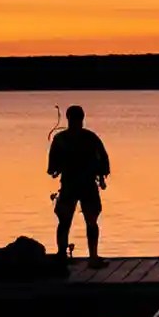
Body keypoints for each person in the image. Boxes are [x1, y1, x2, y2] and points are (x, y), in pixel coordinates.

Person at [47, 105, 111, 269]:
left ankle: (63, 255)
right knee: (88, 222)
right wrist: (102, 176)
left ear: (68, 118)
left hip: (72, 185)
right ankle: (92, 257)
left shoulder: (61, 139)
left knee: (66, 221)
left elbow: (52, 168)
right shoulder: (90, 137)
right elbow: (104, 160)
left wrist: (56, 169)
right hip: (84, 185)